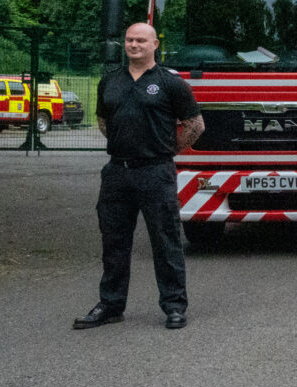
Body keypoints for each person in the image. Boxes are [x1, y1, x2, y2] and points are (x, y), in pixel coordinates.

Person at [75, 23, 204, 331]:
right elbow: (104, 121)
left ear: (155, 44)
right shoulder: (110, 81)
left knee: (166, 240)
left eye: (141, 40)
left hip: (155, 172)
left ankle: (174, 306)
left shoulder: (171, 83)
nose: (133, 45)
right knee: (114, 241)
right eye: (129, 40)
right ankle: (111, 304)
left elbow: (195, 126)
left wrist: (163, 151)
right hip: (117, 173)